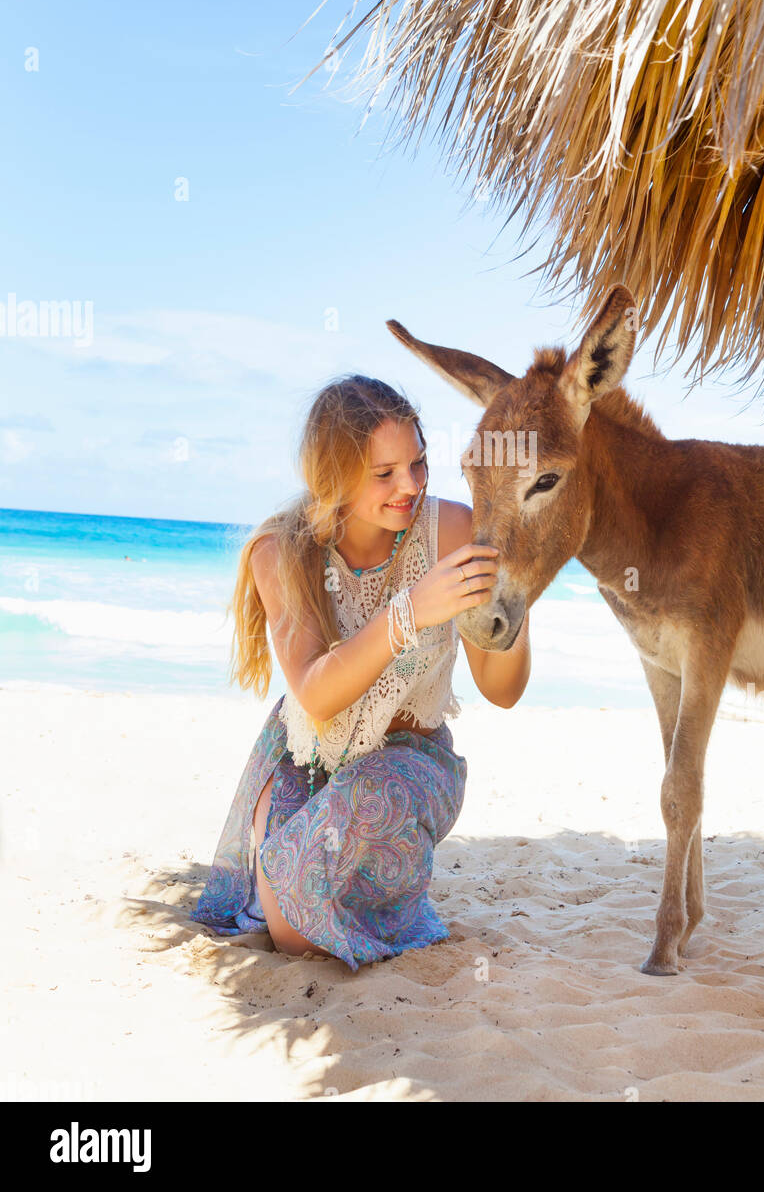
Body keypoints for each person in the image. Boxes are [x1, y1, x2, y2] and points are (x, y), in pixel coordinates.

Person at [190, 374, 530, 969]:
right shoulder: (284, 549)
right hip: (310, 749)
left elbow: (503, 691)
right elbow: (317, 696)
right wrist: (411, 610)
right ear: (334, 476)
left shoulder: (450, 530)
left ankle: (388, 881)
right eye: (385, 473)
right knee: (285, 926)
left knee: (303, 914)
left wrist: (516, 603)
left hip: (408, 758)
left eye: (419, 464)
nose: (411, 485)